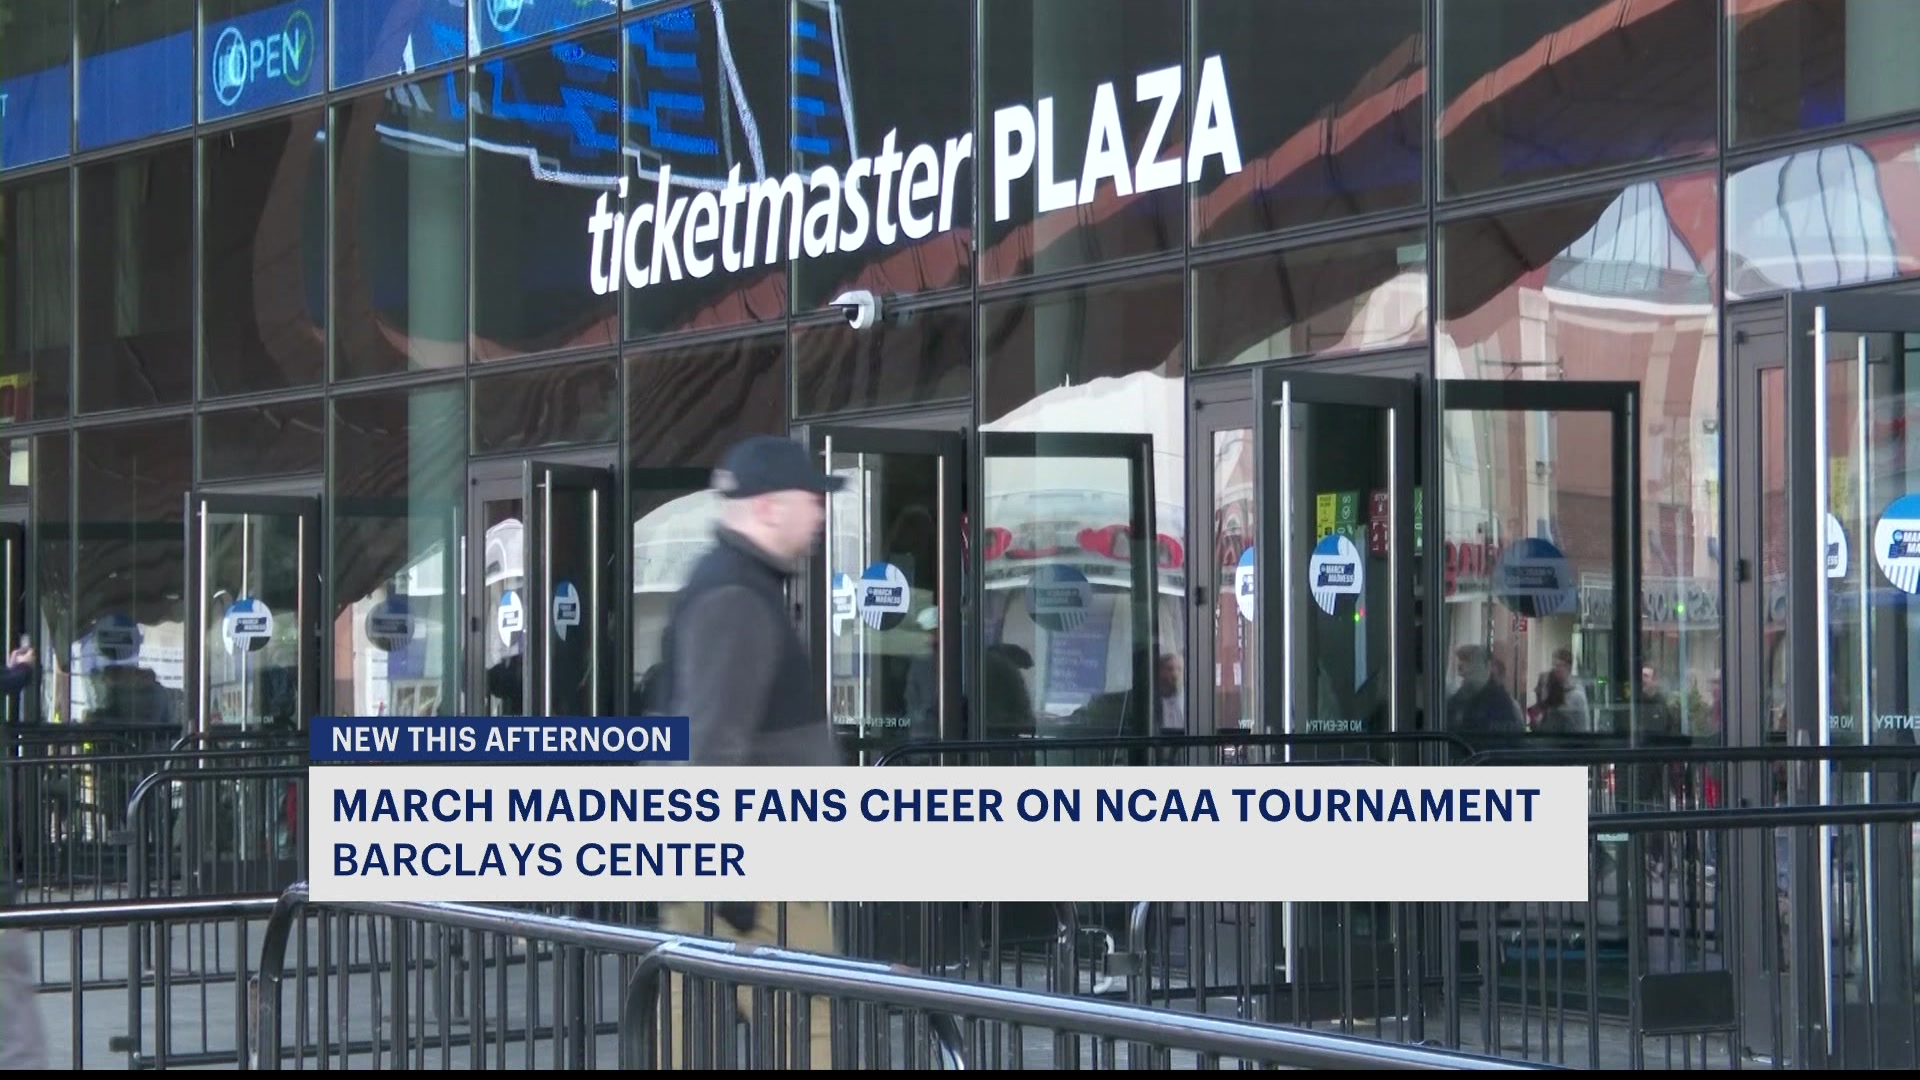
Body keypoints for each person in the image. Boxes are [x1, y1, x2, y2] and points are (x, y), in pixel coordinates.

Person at [650, 435, 844, 1069]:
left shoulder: (728, 583)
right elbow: (712, 745)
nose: (819, 514)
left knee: (692, 1027)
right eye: (810, 500)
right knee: (806, 1028)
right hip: (758, 873)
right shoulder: (737, 597)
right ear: (768, 506)